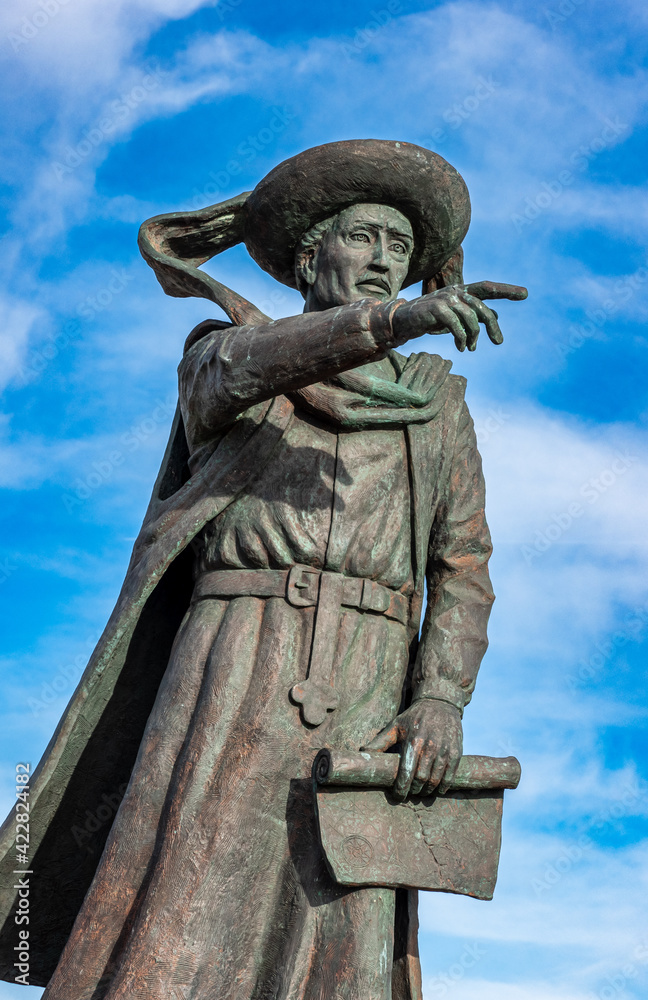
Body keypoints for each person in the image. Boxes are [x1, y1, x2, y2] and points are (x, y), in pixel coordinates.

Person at [0, 139, 526, 999]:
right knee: (188, 896)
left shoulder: (438, 405)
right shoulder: (227, 357)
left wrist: (439, 698)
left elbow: (462, 564)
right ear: (312, 252)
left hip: (371, 679)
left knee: (338, 931)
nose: (384, 262)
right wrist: (386, 326)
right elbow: (241, 374)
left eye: (400, 249)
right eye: (364, 238)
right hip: (234, 661)